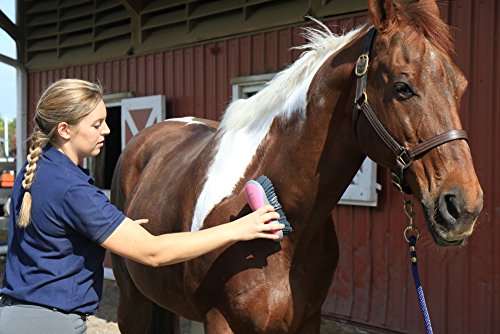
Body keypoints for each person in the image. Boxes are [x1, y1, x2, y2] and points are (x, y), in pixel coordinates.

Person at [0, 78, 283, 334]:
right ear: (65, 129)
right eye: (96, 124)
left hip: (15, 314)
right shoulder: (73, 189)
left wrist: (107, 229)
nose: (107, 130)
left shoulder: (37, 169)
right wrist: (239, 228)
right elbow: (153, 253)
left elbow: (52, 235)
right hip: (52, 325)